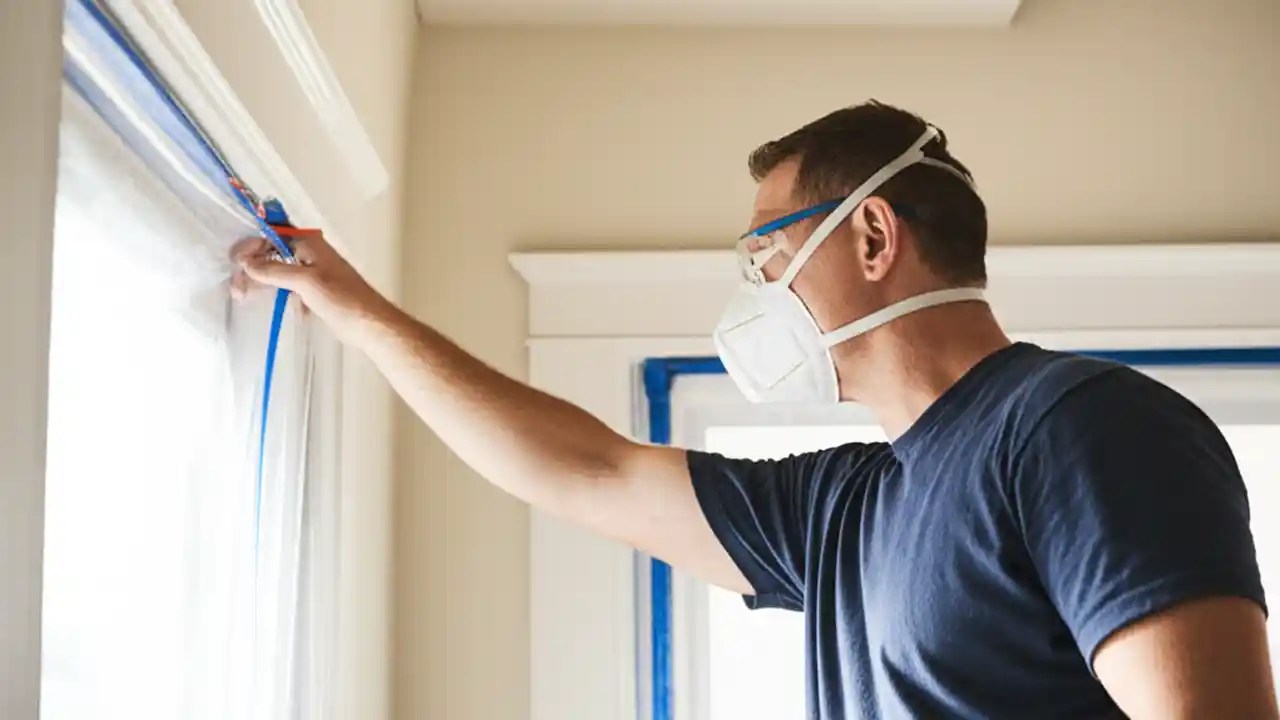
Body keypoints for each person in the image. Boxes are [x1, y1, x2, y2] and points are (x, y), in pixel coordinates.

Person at [233, 101, 1277, 719]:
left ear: (873, 238)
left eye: (767, 253)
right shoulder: (845, 505)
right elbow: (588, 470)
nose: (757, 289)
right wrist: (359, 314)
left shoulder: (1080, 429)